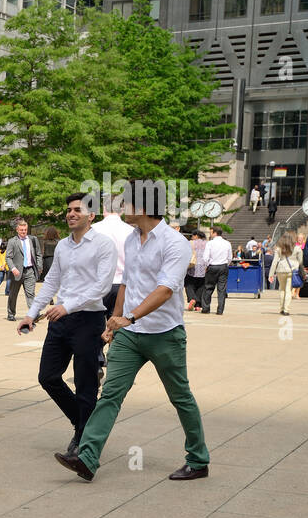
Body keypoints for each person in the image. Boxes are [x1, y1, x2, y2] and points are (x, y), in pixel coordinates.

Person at [56, 200, 209, 483]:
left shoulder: (174, 243)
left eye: (128, 201)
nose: (123, 207)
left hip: (165, 334)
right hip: (129, 336)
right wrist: (114, 321)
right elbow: (126, 283)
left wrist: (131, 317)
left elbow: (165, 290)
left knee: (180, 397)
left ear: (145, 205)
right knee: (111, 395)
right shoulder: (130, 239)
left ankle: (198, 459)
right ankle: (86, 458)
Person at [20, 193, 118, 458]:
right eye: (68, 210)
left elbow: (102, 287)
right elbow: (52, 281)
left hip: (88, 320)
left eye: (77, 210)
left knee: (86, 384)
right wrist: (31, 313)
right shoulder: (63, 245)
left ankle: (83, 440)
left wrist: (68, 306)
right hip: (60, 320)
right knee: (48, 377)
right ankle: (83, 423)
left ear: (91, 215)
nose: (71, 214)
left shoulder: (103, 245)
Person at [92, 200, 133, 316]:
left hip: (97, 283)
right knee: (117, 327)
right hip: (122, 284)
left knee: (94, 327)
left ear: (104, 208)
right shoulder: (131, 231)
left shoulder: (92, 229)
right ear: (122, 210)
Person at [4, 218, 41, 322]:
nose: (24, 232)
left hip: (30, 271)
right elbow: (8, 257)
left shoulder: (33, 240)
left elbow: (38, 254)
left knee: (30, 294)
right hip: (16, 272)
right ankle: (11, 313)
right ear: (17, 230)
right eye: (21, 230)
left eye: (25, 229)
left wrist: (39, 267)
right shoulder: (12, 241)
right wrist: (13, 268)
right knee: (13, 294)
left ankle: (34, 314)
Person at [200, 226, 232, 315]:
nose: (210, 234)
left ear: (215, 233)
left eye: (211, 232)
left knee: (208, 288)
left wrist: (207, 265)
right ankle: (220, 310)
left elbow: (205, 257)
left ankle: (206, 308)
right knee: (221, 289)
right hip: (223, 266)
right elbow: (230, 257)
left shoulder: (210, 243)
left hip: (213, 266)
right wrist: (226, 264)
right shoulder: (227, 243)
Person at [270, 236, 301, 315]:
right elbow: (300, 261)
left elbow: (274, 262)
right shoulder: (297, 248)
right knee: (288, 290)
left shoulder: (279, 248)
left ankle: (281, 308)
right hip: (292, 270)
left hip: (281, 269)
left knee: (282, 289)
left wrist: (271, 274)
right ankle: (286, 309)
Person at [185, 231, 207, 310]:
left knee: (189, 284)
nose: (192, 237)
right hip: (203, 267)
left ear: (196, 236)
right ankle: (198, 305)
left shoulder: (190, 243)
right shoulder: (207, 243)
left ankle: (192, 298)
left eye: (192, 236)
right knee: (201, 286)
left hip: (192, 266)